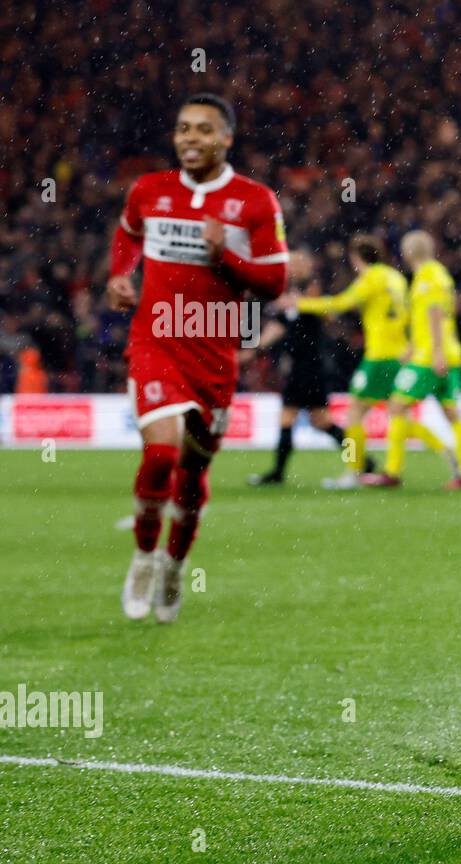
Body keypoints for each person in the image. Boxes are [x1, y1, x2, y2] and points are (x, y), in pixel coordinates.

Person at [108, 93, 288, 622]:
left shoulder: (254, 201)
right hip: (156, 339)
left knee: (190, 475)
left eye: (204, 130)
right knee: (160, 454)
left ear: (226, 138)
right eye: (184, 128)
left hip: (213, 350)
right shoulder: (149, 190)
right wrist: (122, 273)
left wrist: (223, 257)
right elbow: (128, 234)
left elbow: (275, 281)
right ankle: (143, 554)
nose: (191, 138)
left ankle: (173, 564)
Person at [361, 230, 461, 489]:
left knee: (396, 406)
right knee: (452, 414)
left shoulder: (427, 277)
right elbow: (437, 316)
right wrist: (414, 346)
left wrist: (433, 350)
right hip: (447, 353)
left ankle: (392, 471)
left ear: (408, 252)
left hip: (430, 358)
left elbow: (435, 313)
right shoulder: (441, 275)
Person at [293, 235, 408, 490]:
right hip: (399, 354)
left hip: (379, 357)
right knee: (398, 412)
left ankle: (353, 471)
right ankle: (398, 469)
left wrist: (301, 303)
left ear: (357, 258)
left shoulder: (371, 278)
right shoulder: (395, 277)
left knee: (354, 414)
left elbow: (341, 303)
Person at [248, 250, 357, 485]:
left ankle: (278, 473)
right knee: (321, 422)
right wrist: (255, 349)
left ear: (308, 267)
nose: (294, 268)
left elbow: (328, 315)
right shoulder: (290, 296)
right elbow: (278, 327)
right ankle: (361, 462)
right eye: (292, 264)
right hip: (300, 366)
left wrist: (301, 302)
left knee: (294, 418)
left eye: (299, 264)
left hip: (311, 366)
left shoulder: (313, 292)